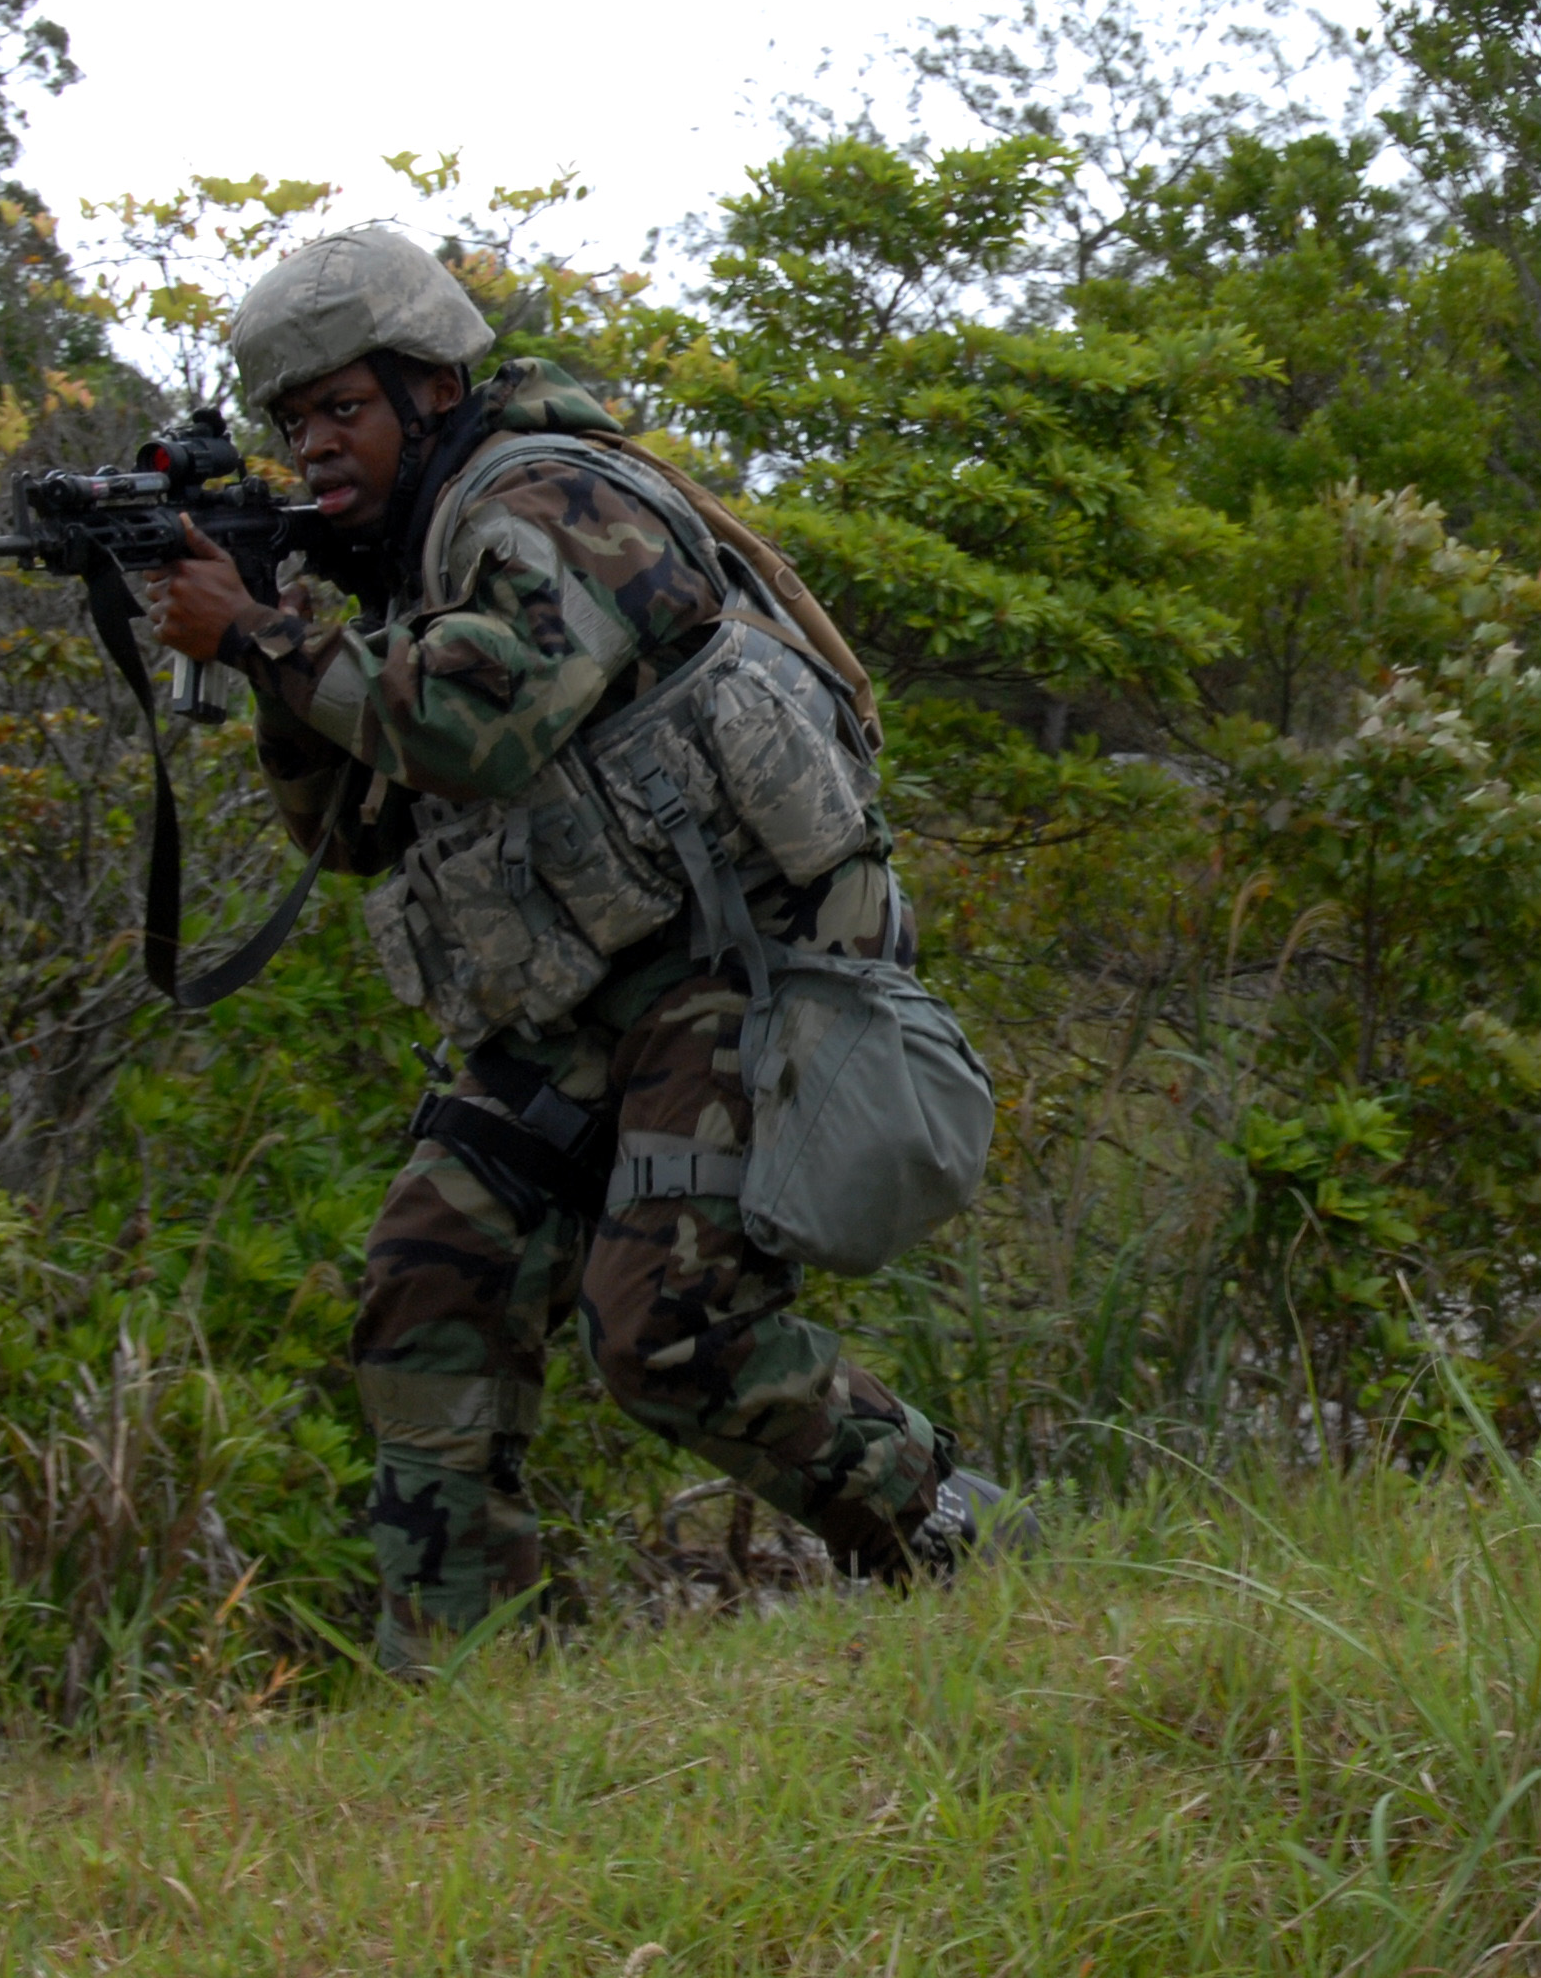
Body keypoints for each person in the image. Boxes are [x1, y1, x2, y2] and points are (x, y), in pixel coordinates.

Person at [146, 223, 1003, 1670]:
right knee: (431, 1287)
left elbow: (480, 729)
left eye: (341, 411)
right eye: (292, 425)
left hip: (737, 964)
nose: (315, 452)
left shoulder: (548, 501)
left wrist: (257, 643)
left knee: (668, 1327)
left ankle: (963, 1546)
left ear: (429, 388)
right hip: (587, 991)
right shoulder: (411, 566)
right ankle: (470, 1677)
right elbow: (357, 837)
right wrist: (284, 643)